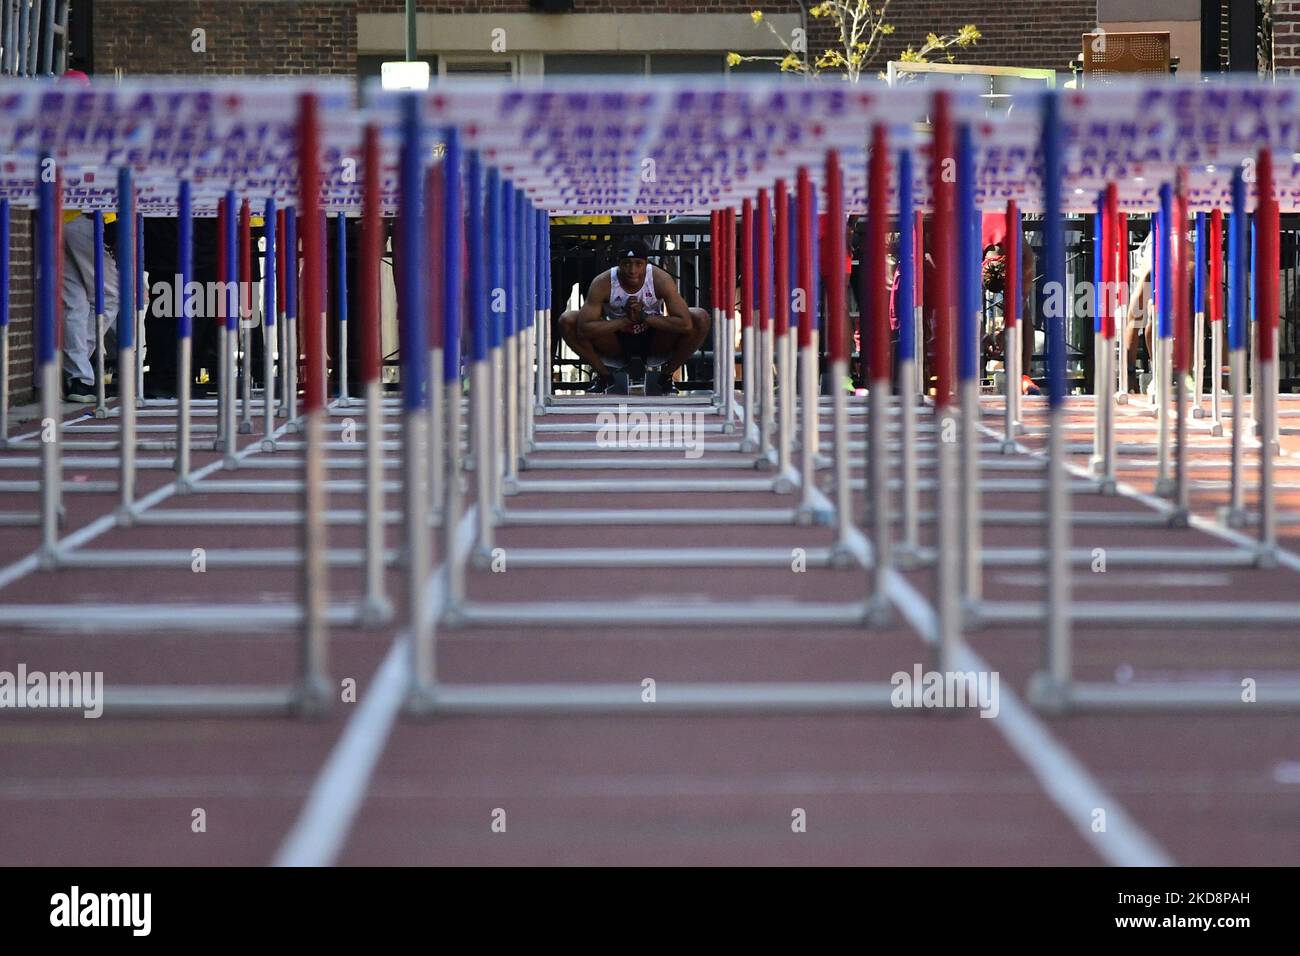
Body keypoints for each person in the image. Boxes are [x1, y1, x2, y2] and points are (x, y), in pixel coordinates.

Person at [557, 238, 711, 395]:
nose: (632, 270)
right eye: (627, 264)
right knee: (567, 320)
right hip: (616, 340)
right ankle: (604, 377)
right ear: (619, 264)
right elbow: (584, 329)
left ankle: (666, 376)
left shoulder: (660, 279)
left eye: (638, 264)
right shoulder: (603, 282)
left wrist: (644, 316)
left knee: (700, 317)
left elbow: (685, 323)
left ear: (646, 264)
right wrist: (625, 320)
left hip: (655, 339)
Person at [61, 211, 120, 403]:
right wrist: (111, 222)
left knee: (74, 304)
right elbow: (104, 184)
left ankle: (78, 376)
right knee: (110, 297)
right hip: (90, 220)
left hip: (58, 220)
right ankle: (78, 372)